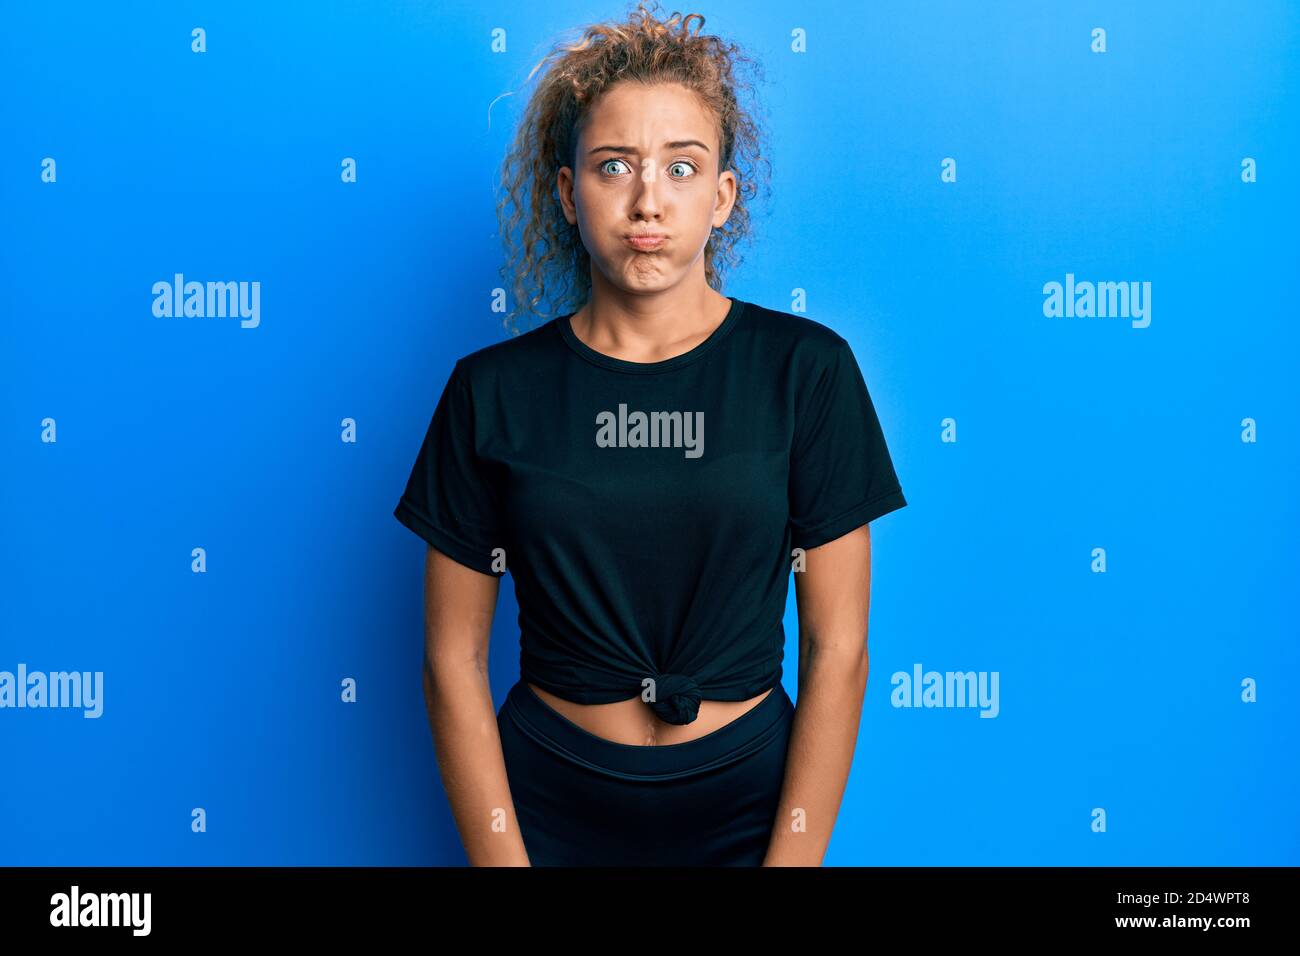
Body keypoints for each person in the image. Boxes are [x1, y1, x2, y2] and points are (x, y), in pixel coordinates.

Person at [394, 2, 907, 866]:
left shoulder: (807, 373)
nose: (646, 200)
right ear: (567, 192)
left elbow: (839, 648)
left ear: (723, 195)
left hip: (750, 804)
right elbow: (451, 658)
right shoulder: (490, 391)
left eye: (681, 167)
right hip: (547, 803)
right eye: (613, 166)